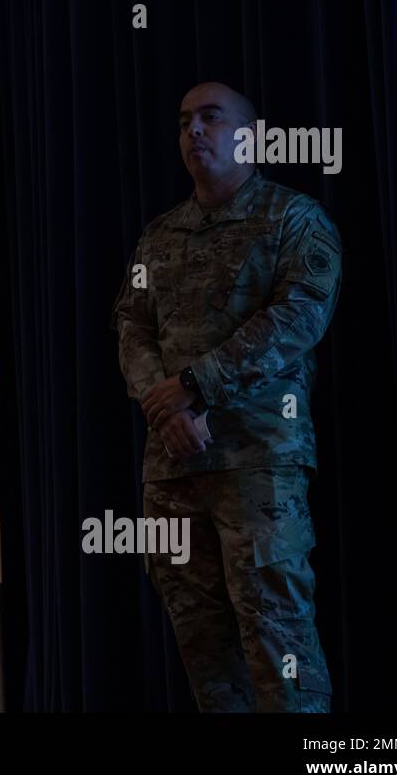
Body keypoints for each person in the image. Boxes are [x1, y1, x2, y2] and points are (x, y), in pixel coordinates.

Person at [111, 81, 342, 712]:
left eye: (212, 118)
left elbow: (299, 317)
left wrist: (193, 388)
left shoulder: (294, 219)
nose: (194, 131)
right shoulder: (159, 236)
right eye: (185, 120)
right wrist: (163, 411)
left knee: (277, 637)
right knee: (204, 650)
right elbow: (131, 323)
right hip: (174, 466)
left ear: (253, 135)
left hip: (258, 462)